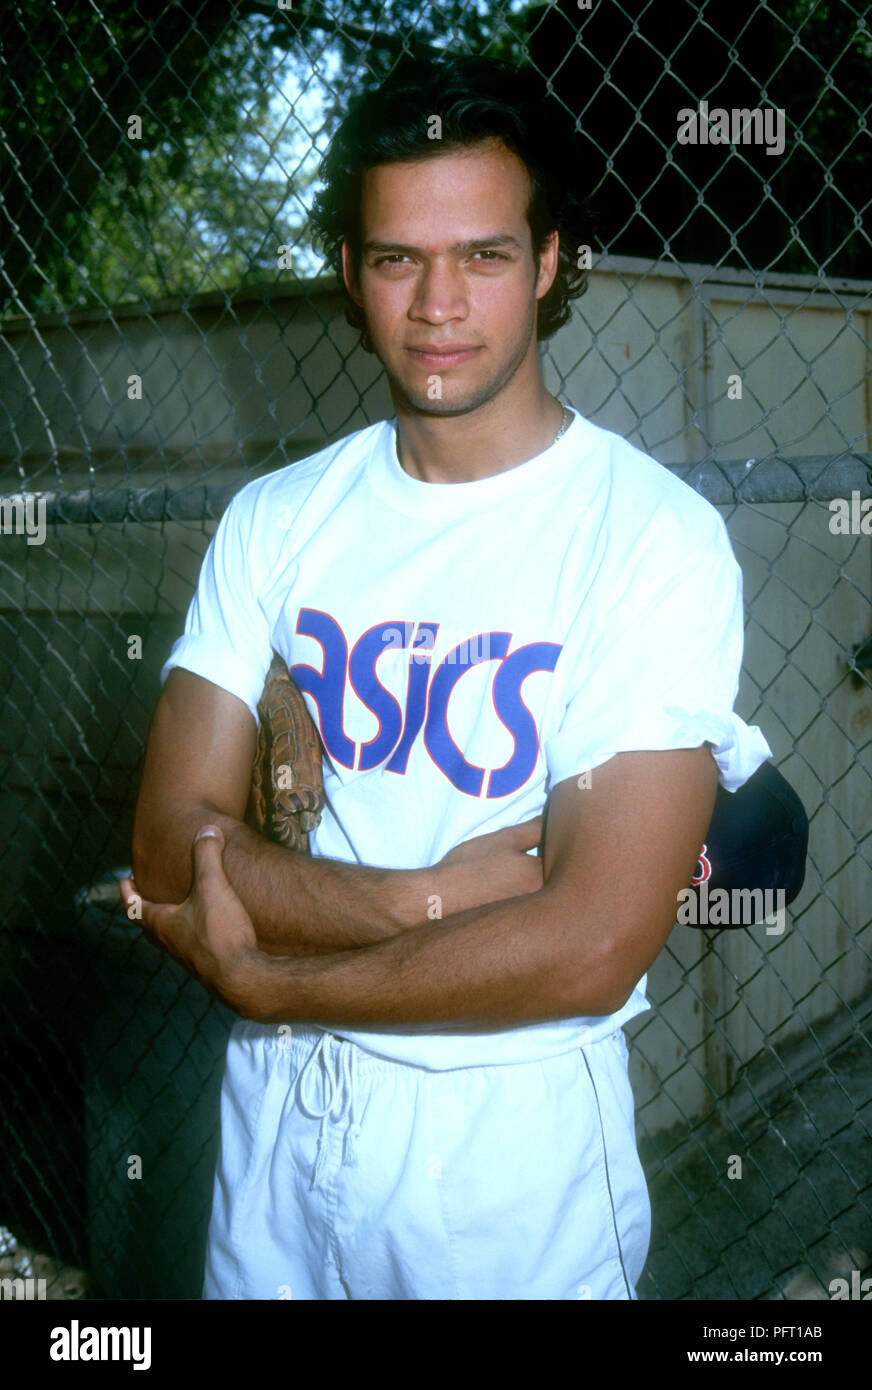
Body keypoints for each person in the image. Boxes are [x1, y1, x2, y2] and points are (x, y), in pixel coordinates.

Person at [123, 54, 772, 1300]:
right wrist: (428, 895)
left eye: (480, 254)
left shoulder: (648, 533)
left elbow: (586, 943)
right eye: (392, 259)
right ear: (351, 273)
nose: (435, 304)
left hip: (501, 1139)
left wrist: (266, 957)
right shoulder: (277, 517)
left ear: (546, 263)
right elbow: (164, 851)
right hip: (277, 1110)